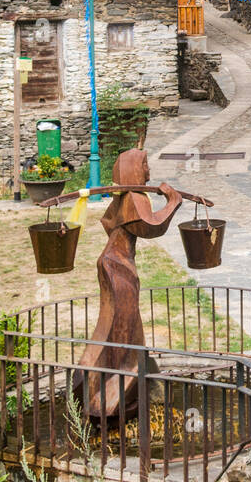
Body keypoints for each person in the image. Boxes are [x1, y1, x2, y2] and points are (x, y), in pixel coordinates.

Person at [75, 150, 182, 420]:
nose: (148, 172)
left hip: (111, 261)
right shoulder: (134, 197)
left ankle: (93, 380)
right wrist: (173, 202)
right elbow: (151, 226)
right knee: (124, 326)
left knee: (112, 324)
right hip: (119, 265)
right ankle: (115, 394)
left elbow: (109, 223)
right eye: (145, 166)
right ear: (134, 169)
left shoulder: (124, 197)